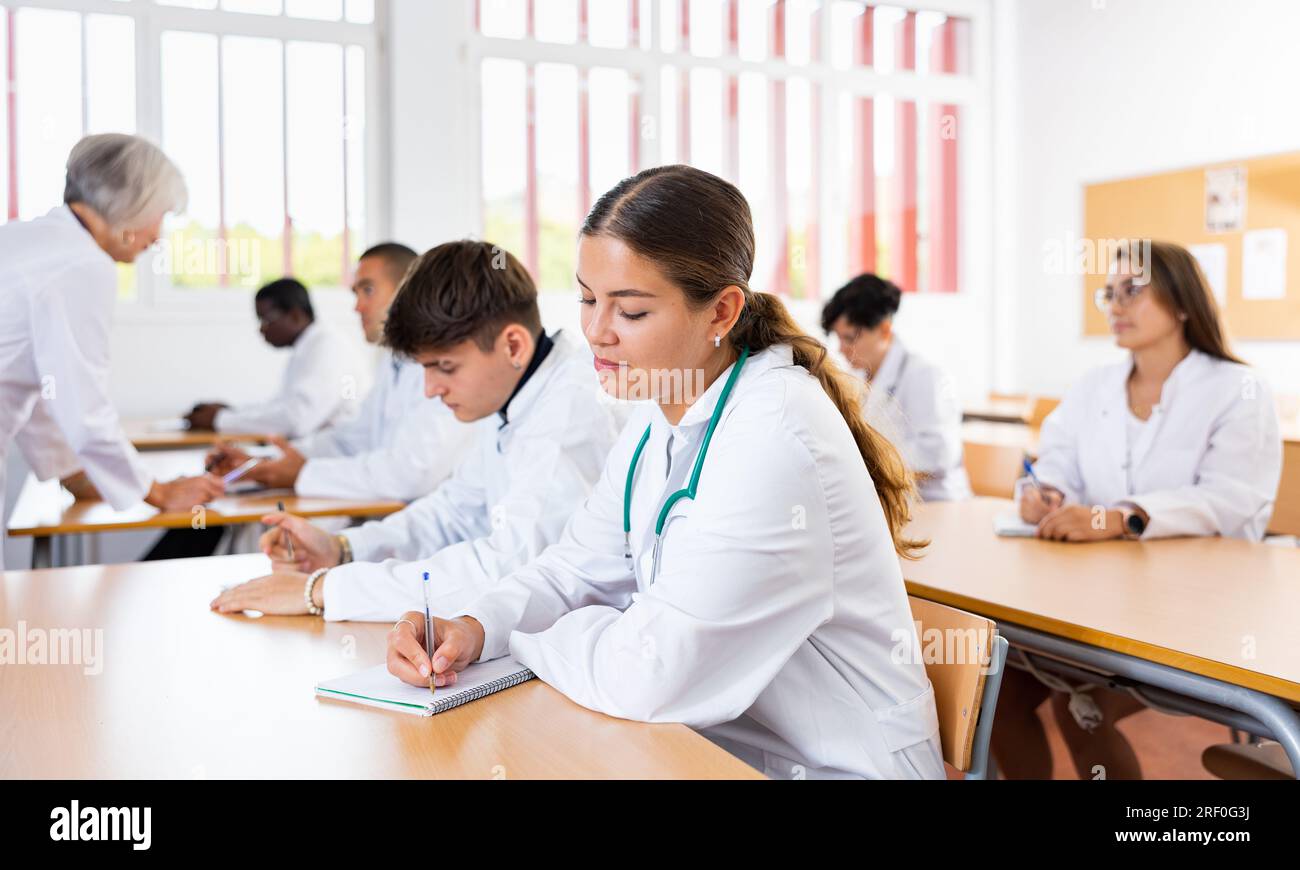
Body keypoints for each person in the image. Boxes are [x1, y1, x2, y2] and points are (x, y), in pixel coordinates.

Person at [385, 166, 945, 780]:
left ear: (721, 311)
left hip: (833, 766)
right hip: (710, 747)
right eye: (588, 299)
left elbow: (645, 674)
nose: (596, 332)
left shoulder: (774, 436)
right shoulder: (659, 414)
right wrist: (474, 626)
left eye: (629, 311)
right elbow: (575, 568)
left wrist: (527, 640)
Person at [210, 240, 624, 621]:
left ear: (513, 346)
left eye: (443, 367)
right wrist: (343, 549)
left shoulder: (568, 412)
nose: (430, 389)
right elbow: (453, 511)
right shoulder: (516, 395)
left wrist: (321, 590)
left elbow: (511, 569)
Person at [993, 240, 1282, 779]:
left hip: (1198, 610)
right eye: (1110, 293)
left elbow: (1232, 500)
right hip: (1097, 601)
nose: (1115, 306)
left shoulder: (1236, 389)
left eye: (1133, 292)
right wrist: (1044, 494)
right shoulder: (1093, 386)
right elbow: (1056, 460)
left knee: (1080, 708)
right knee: (996, 696)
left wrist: (1118, 518)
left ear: (1182, 304)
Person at [0, 134, 222, 569]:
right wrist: (159, 493)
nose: (157, 238)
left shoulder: (28, 241)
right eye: (160, 217)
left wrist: (73, 474)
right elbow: (84, 406)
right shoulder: (82, 264)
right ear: (132, 204)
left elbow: (41, 385)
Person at [204, 243, 473, 501]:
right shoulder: (394, 362)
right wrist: (259, 461)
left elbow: (410, 473)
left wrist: (301, 473)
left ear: (408, 289)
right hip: (379, 509)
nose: (357, 307)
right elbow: (352, 439)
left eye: (367, 290)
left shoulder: (443, 367)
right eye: (355, 294)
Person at [822, 273, 971, 501]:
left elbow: (938, 455)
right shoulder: (860, 379)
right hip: (892, 501)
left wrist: (872, 462)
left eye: (850, 338)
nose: (841, 349)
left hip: (936, 503)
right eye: (839, 338)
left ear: (884, 329)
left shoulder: (923, 376)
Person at [184, 278, 357, 437]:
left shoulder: (327, 346)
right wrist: (233, 412)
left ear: (295, 316)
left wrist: (220, 420)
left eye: (266, 320)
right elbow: (280, 407)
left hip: (332, 457)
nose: (262, 329)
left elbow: (296, 420)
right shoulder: (308, 347)